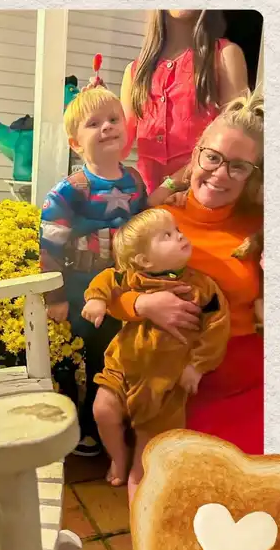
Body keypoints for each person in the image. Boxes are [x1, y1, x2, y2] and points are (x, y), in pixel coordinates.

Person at [89, 89, 264, 458]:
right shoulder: (160, 220)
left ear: (253, 175)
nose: (220, 174)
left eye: (238, 166)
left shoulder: (261, 226)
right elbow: (113, 287)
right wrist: (143, 305)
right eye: (212, 157)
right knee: (184, 475)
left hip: (249, 383)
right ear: (196, 153)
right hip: (175, 385)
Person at [81, 208, 230, 503]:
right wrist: (96, 300)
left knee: (148, 445)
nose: (180, 236)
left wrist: (197, 366)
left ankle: (139, 491)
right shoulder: (132, 278)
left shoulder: (202, 288)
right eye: (167, 236)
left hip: (164, 380)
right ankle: (118, 458)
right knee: (103, 411)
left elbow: (217, 325)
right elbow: (106, 280)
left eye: (177, 231)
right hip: (122, 365)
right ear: (145, 261)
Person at [39, 85, 149, 457]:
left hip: (121, 286)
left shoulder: (134, 182)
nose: (107, 127)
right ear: (75, 143)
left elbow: (144, 232)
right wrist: (55, 296)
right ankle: (73, 423)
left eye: (114, 119)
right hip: (80, 287)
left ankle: (101, 423)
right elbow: (50, 245)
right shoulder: (69, 191)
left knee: (110, 356)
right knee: (74, 357)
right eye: (94, 123)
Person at [120, 10, 249, 194]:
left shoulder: (224, 55)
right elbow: (119, 147)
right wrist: (96, 113)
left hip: (201, 200)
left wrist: (169, 186)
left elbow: (233, 141)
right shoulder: (135, 71)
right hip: (148, 202)